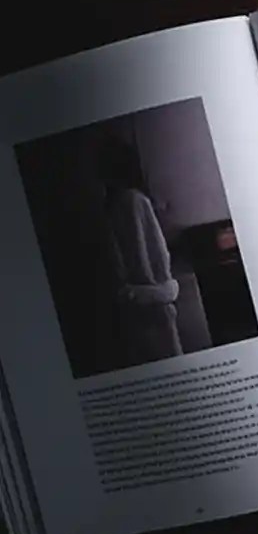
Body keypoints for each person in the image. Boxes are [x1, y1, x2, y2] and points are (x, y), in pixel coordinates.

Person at [99, 137, 183, 365]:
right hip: (148, 310)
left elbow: (152, 257)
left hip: (146, 312)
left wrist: (161, 291)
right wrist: (166, 291)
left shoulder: (129, 203)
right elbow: (155, 258)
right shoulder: (129, 203)